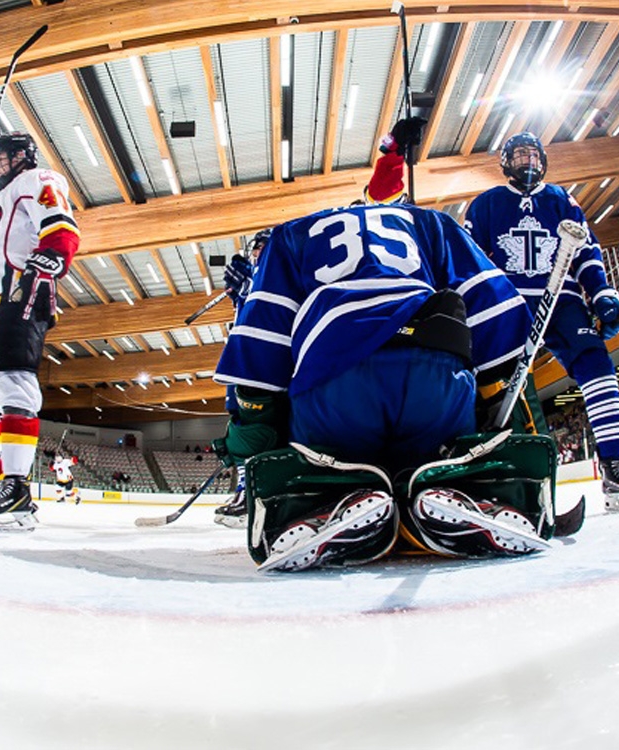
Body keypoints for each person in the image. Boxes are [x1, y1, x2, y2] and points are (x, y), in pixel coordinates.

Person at [213, 198, 537, 572]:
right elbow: (494, 309)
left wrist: (248, 432)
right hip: (435, 371)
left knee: (329, 462)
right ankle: (458, 491)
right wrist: (502, 417)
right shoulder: (428, 221)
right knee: (435, 454)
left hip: (335, 376)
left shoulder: (291, 234)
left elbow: (262, 343)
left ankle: (329, 500)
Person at [464, 132, 619, 510]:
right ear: (505, 163)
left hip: (562, 301)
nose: (527, 162)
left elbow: (586, 251)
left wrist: (600, 293)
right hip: (509, 304)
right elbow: (469, 258)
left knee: (597, 364)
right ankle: (483, 471)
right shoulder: (484, 205)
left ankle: (615, 464)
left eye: (532, 155)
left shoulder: (562, 201)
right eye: (518, 156)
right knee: (491, 386)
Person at [0, 129, 80, 530]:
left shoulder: (38, 179)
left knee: (14, 384)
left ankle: (18, 489)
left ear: (24, 157)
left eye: (4, 158)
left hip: (22, 291)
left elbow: (60, 222)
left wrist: (56, 253)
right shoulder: (0, 196)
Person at [212, 228, 272, 529]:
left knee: (256, 425)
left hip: (264, 361)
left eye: (263, 247)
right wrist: (240, 295)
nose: (257, 252)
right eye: (256, 248)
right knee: (238, 421)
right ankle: (244, 489)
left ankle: (258, 492)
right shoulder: (251, 281)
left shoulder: (278, 277)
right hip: (241, 359)